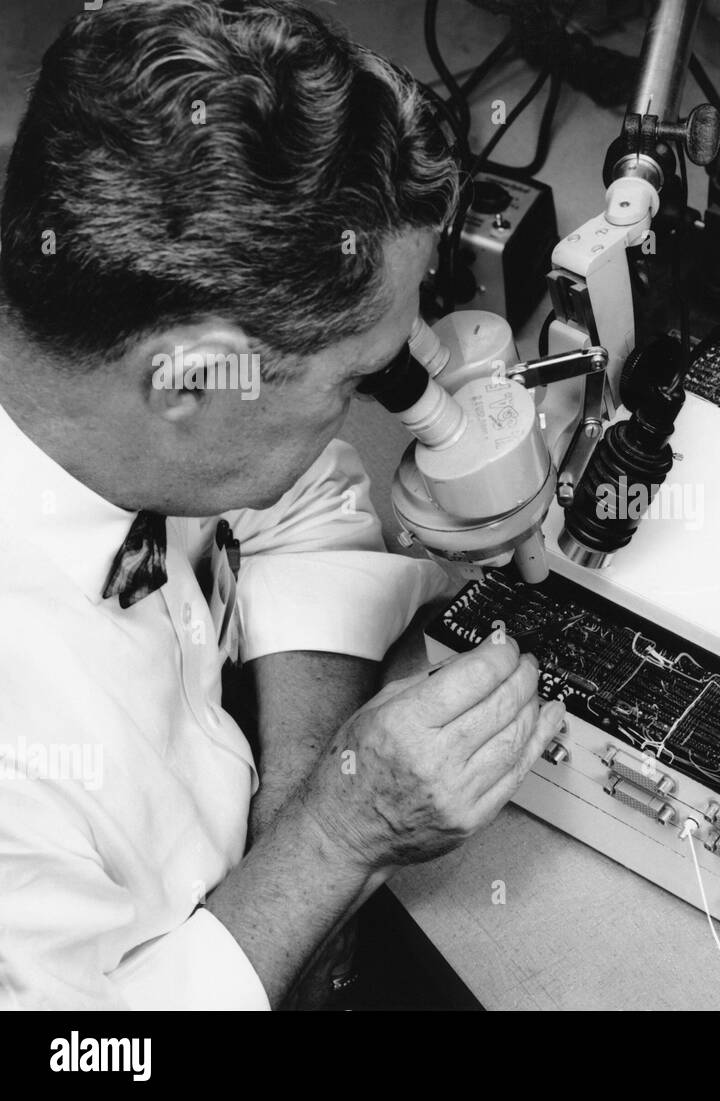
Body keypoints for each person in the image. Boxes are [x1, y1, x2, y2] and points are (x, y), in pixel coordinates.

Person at [0, 0, 564, 1009]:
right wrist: (338, 836)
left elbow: (296, 503)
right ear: (189, 382)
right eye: (355, 379)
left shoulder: (90, 352)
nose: (378, 405)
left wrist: (302, 784)